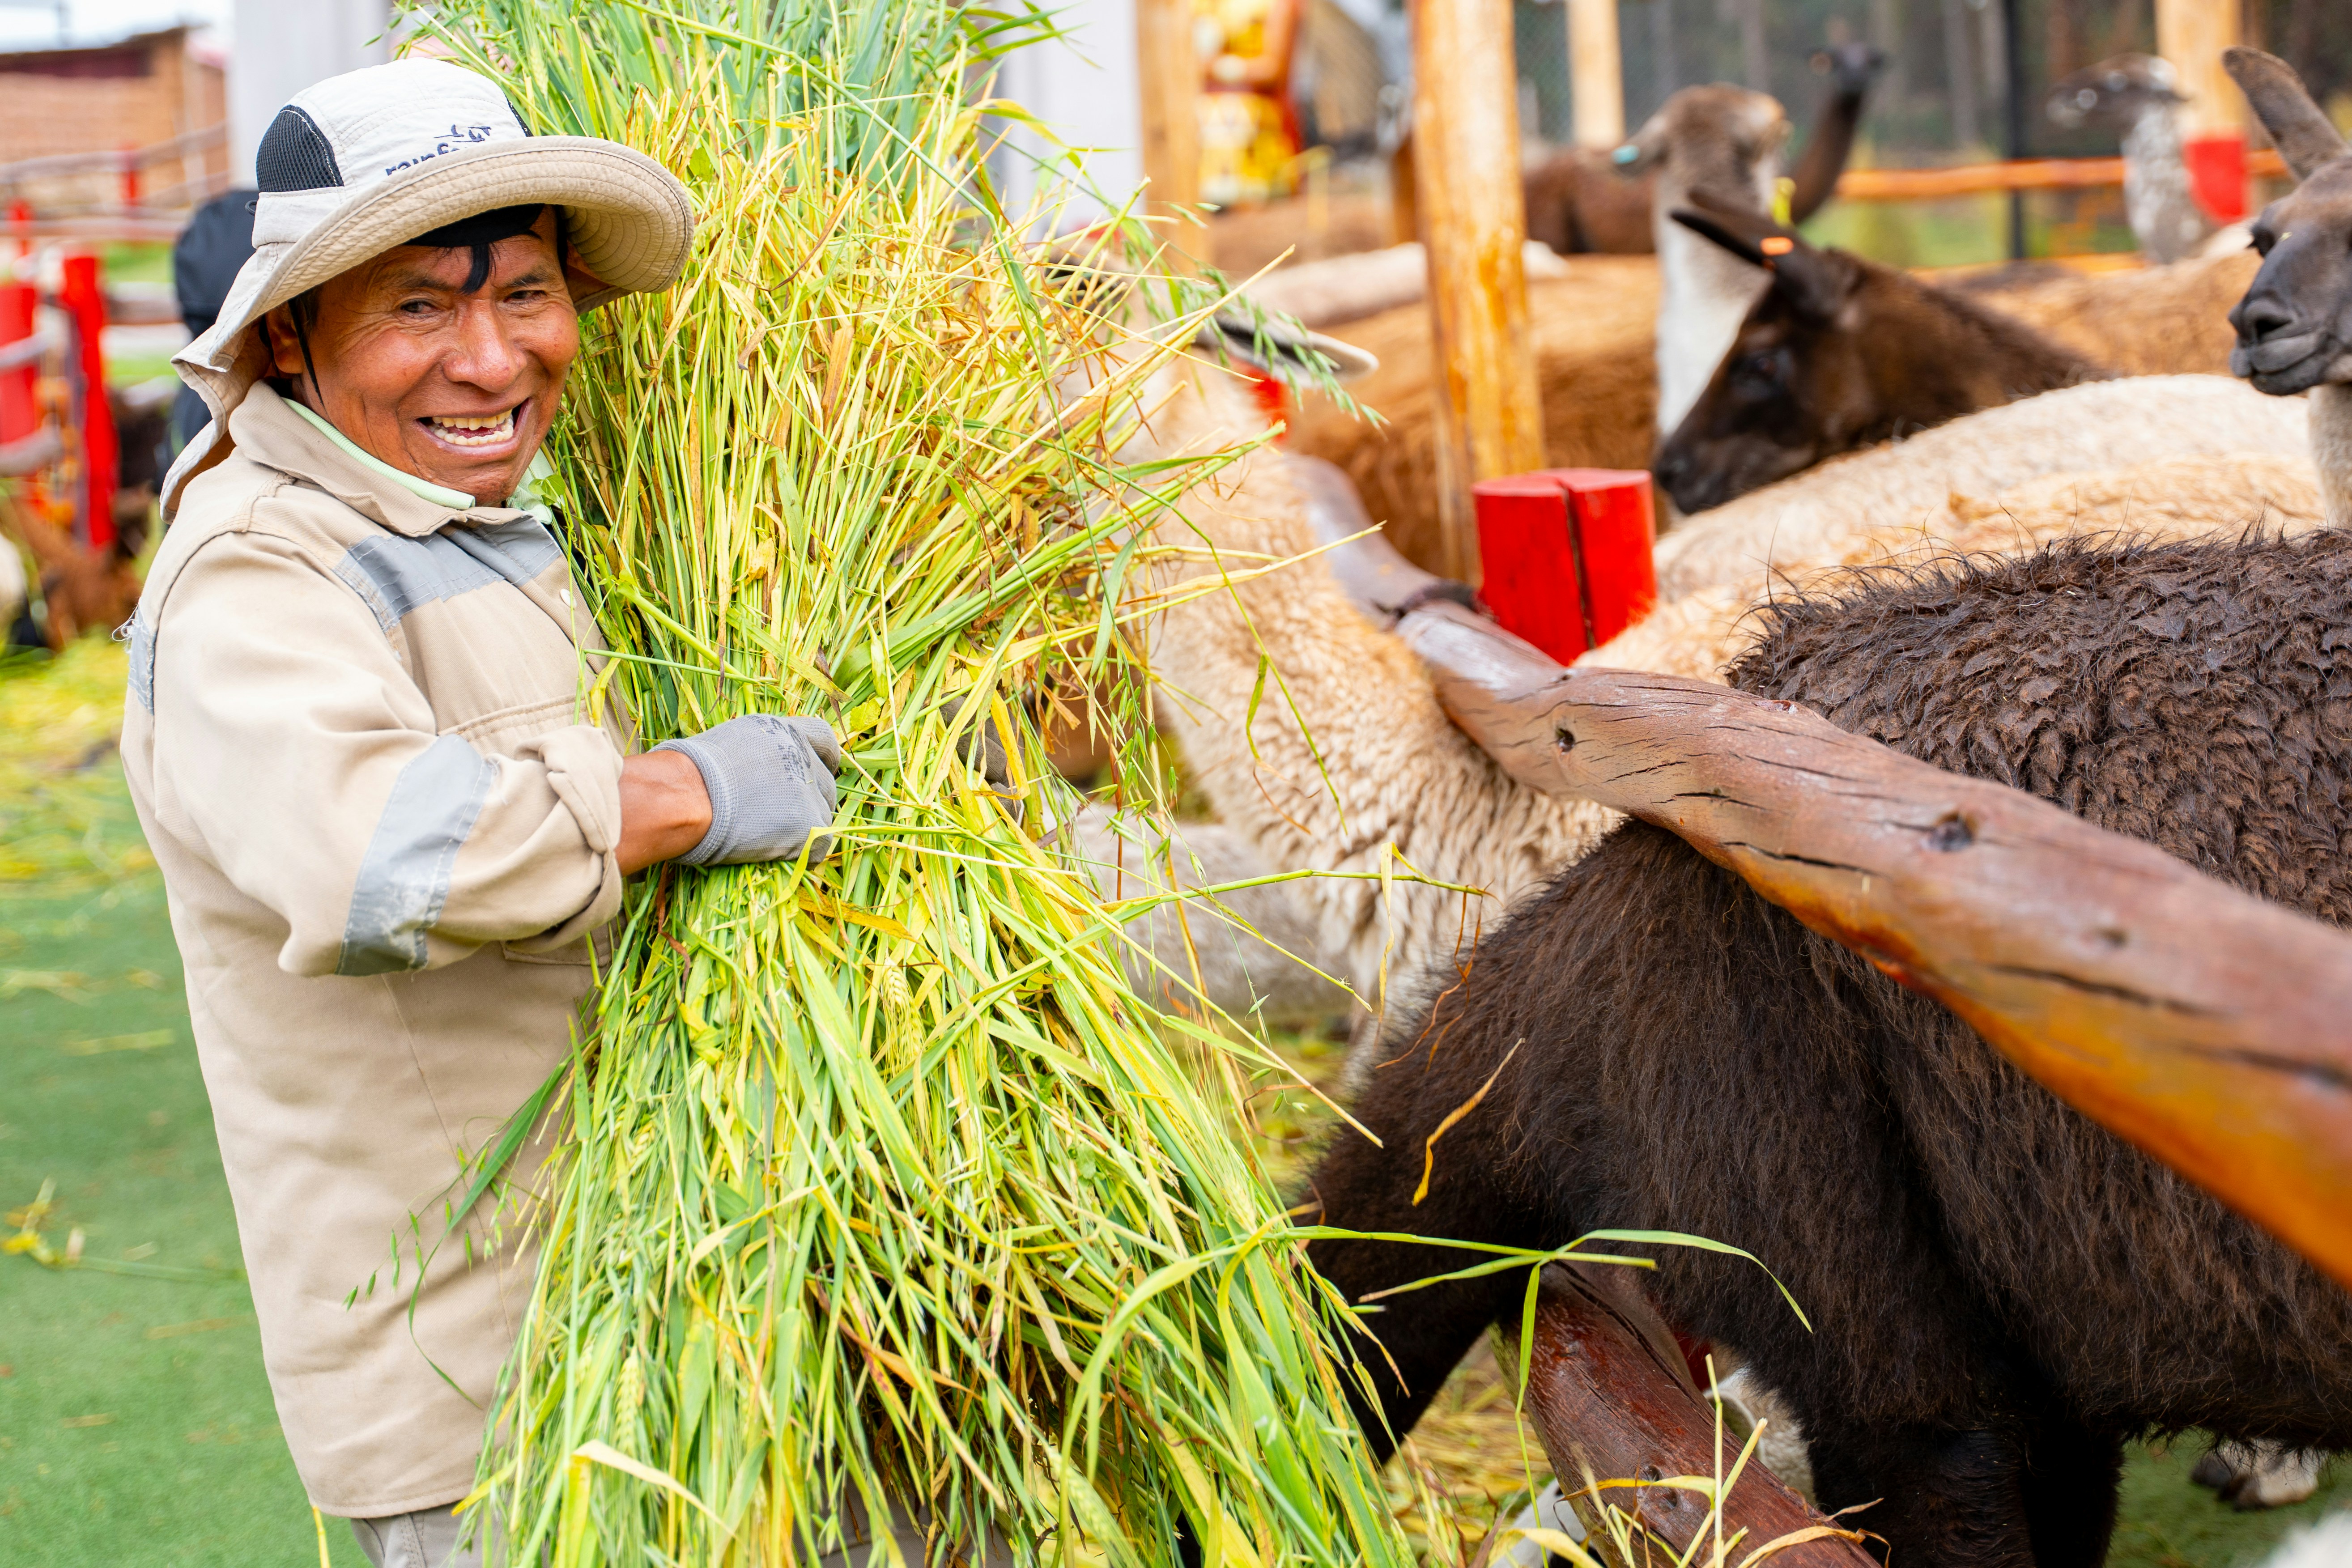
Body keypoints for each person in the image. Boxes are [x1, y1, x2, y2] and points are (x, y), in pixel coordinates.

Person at [123, 59, 842, 1568]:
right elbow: (372, 854)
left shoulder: (505, 526)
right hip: (496, 1393)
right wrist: (686, 791)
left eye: (524, 291)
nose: (492, 356)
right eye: (419, 307)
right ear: (289, 340)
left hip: (696, 1298)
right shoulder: (256, 575)